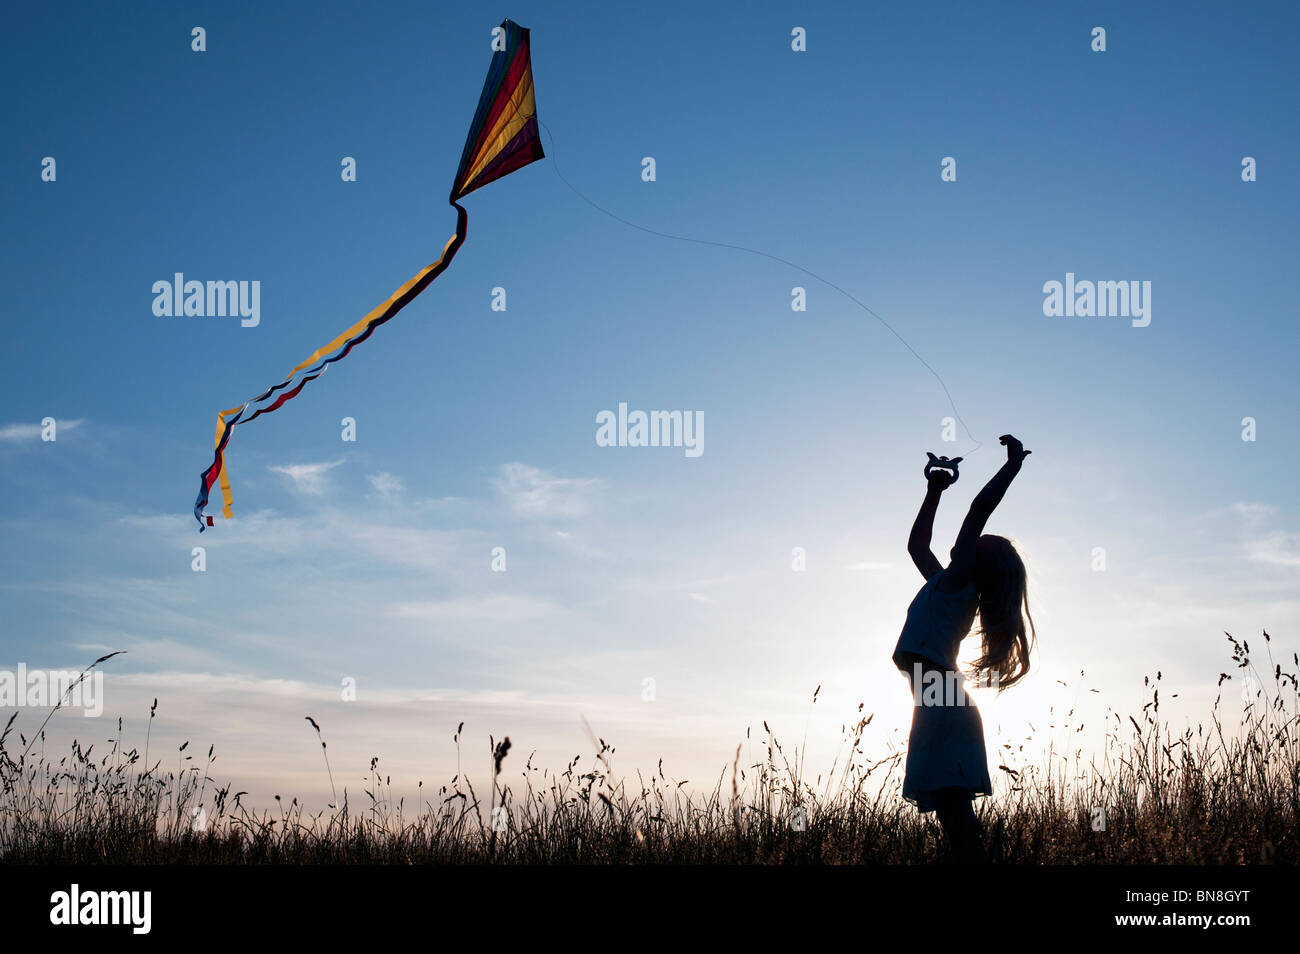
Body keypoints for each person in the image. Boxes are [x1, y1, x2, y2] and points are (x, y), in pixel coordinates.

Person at [892, 434, 1036, 862]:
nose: (973, 538)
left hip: (942, 697)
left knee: (952, 805)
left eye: (980, 543)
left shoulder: (960, 585)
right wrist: (933, 491)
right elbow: (917, 546)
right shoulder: (945, 582)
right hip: (939, 696)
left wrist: (1012, 466)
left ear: (980, 565)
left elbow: (978, 509)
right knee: (952, 811)